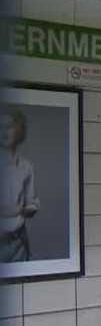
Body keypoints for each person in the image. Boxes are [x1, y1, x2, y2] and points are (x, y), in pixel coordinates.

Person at [1, 107, 38, 262]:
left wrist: (27, 209)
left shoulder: (26, 166)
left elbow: (31, 203)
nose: (4, 132)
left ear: (18, 130)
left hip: (18, 244)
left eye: (9, 126)